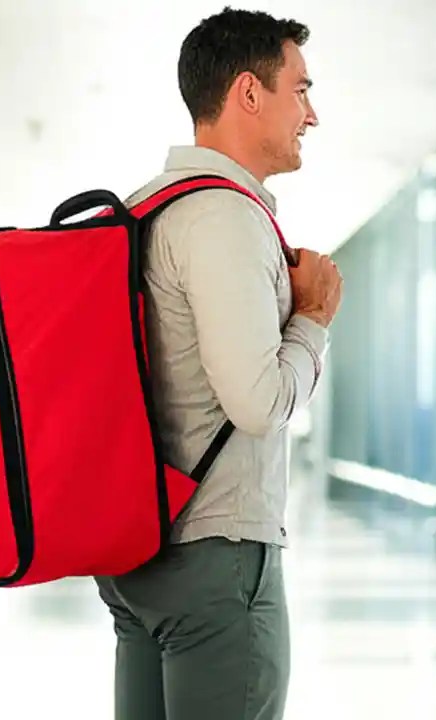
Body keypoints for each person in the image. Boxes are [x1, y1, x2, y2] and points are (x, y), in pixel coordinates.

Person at [94, 8, 343, 719]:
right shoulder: (225, 218)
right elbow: (258, 402)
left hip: (139, 552)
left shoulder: (142, 208)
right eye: (301, 89)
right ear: (248, 93)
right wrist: (313, 321)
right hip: (219, 554)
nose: (312, 114)